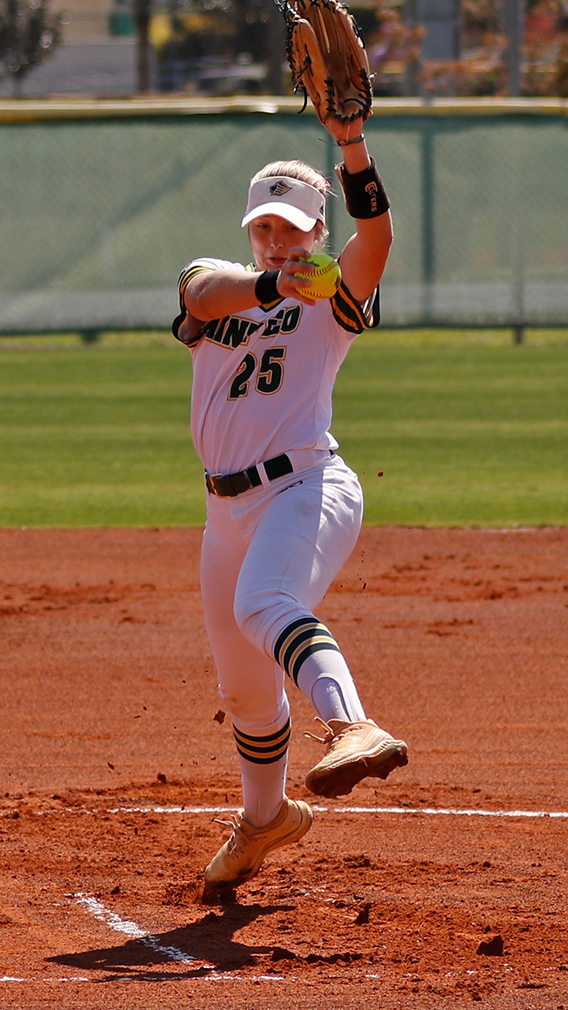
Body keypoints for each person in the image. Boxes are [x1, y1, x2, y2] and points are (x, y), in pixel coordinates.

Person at [172, 110, 407, 903]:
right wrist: (273, 282)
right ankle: (265, 818)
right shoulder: (224, 285)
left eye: (295, 229)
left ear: (315, 229)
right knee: (242, 687)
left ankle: (353, 727)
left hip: (307, 485)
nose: (278, 240)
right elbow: (199, 293)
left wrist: (352, 148)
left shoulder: (331, 297)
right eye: (265, 227)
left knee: (263, 602)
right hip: (224, 514)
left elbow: (373, 244)